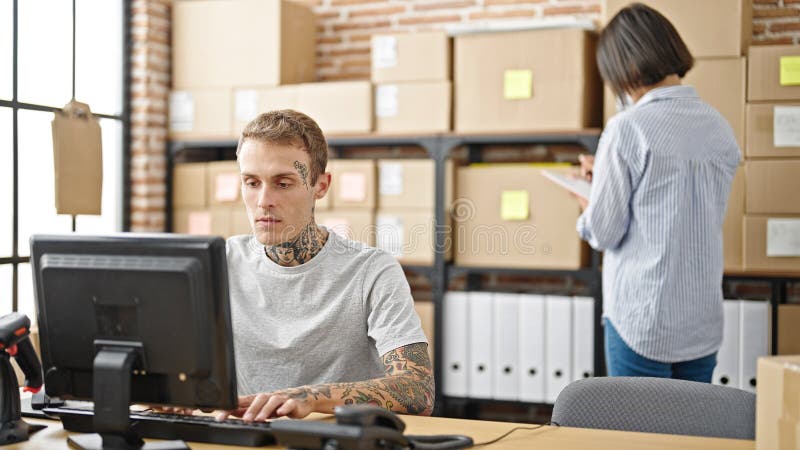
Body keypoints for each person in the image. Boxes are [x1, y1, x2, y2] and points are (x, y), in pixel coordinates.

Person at [220, 109, 433, 421]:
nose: (264, 200)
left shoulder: (372, 271)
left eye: (283, 183)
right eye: (252, 183)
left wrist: (309, 397)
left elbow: (418, 391)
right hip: (245, 438)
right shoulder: (221, 263)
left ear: (320, 186)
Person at [575, 3, 740, 382]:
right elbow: (677, 196)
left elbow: (604, 231)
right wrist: (609, 176)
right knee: (694, 438)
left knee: (637, 437)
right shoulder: (719, 126)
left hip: (641, 319)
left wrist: (590, 198)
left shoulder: (627, 129)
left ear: (623, 68)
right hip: (701, 322)